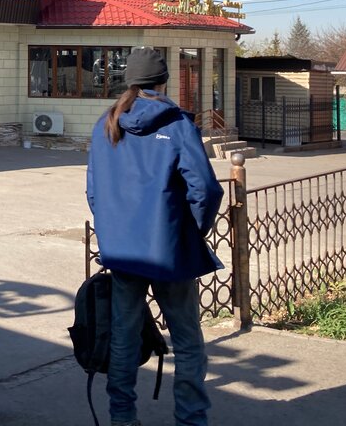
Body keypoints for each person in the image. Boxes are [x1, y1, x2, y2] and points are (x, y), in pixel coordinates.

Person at [86, 46, 224, 426]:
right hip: (169, 252)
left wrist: (114, 232)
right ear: (163, 80)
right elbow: (207, 190)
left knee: (123, 338)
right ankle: (191, 419)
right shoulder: (177, 124)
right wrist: (191, 231)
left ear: (129, 79)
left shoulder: (106, 124)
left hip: (123, 253)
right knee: (187, 340)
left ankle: (122, 418)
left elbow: (94, 192)